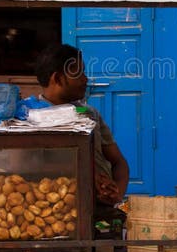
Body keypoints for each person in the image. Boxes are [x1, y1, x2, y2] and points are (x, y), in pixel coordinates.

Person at [33, 43, 129, 231]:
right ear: (58, 78)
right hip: (60, 219)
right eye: (79, 74)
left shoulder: (89, 114)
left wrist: (116, 193)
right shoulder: (31, 119)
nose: (85, 79)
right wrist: (88, 178)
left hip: (101, 213)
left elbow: (119, 163)